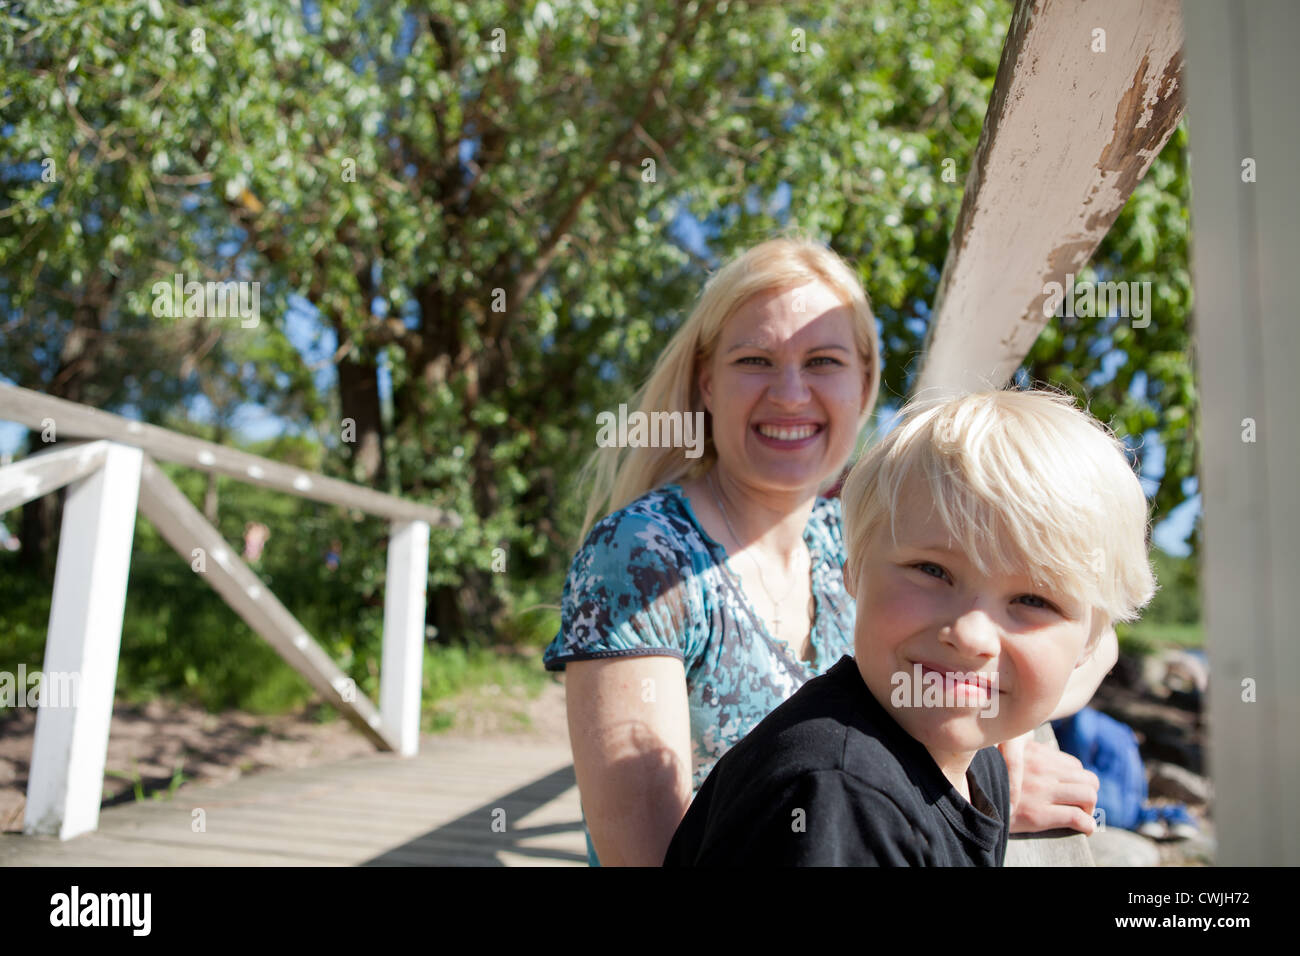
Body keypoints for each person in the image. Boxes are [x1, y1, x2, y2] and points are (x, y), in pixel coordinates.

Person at [543, 236, 1115, 866]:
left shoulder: (859, 533)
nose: (790, 394)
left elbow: (1096, 633)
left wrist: (987, 746)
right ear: (706, 383)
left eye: (822, 361)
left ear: (865, 382)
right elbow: (649, 860)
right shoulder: (642, 556)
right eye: (755, 360)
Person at [663, 389, 1157, 865]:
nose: (970, 635)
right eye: (932, 571)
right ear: (853, 569)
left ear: (1089, 641)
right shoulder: (841, 800)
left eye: (1033, 600)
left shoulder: (973, 755)